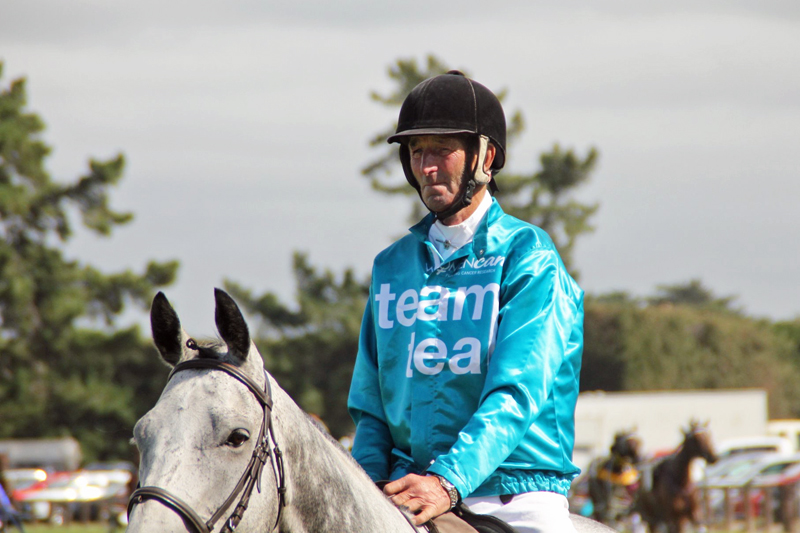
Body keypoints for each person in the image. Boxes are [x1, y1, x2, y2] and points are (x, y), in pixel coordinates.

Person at [347, 70, 585, 533]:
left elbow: (517, 392)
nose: (427, 166)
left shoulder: (530, 257)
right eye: (417, 152)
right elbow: (371, 404)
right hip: (406, 494)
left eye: (442, 150)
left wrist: (446, 482)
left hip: (513, 495)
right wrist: (368, 482)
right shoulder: (390, 267)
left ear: (485, 157)